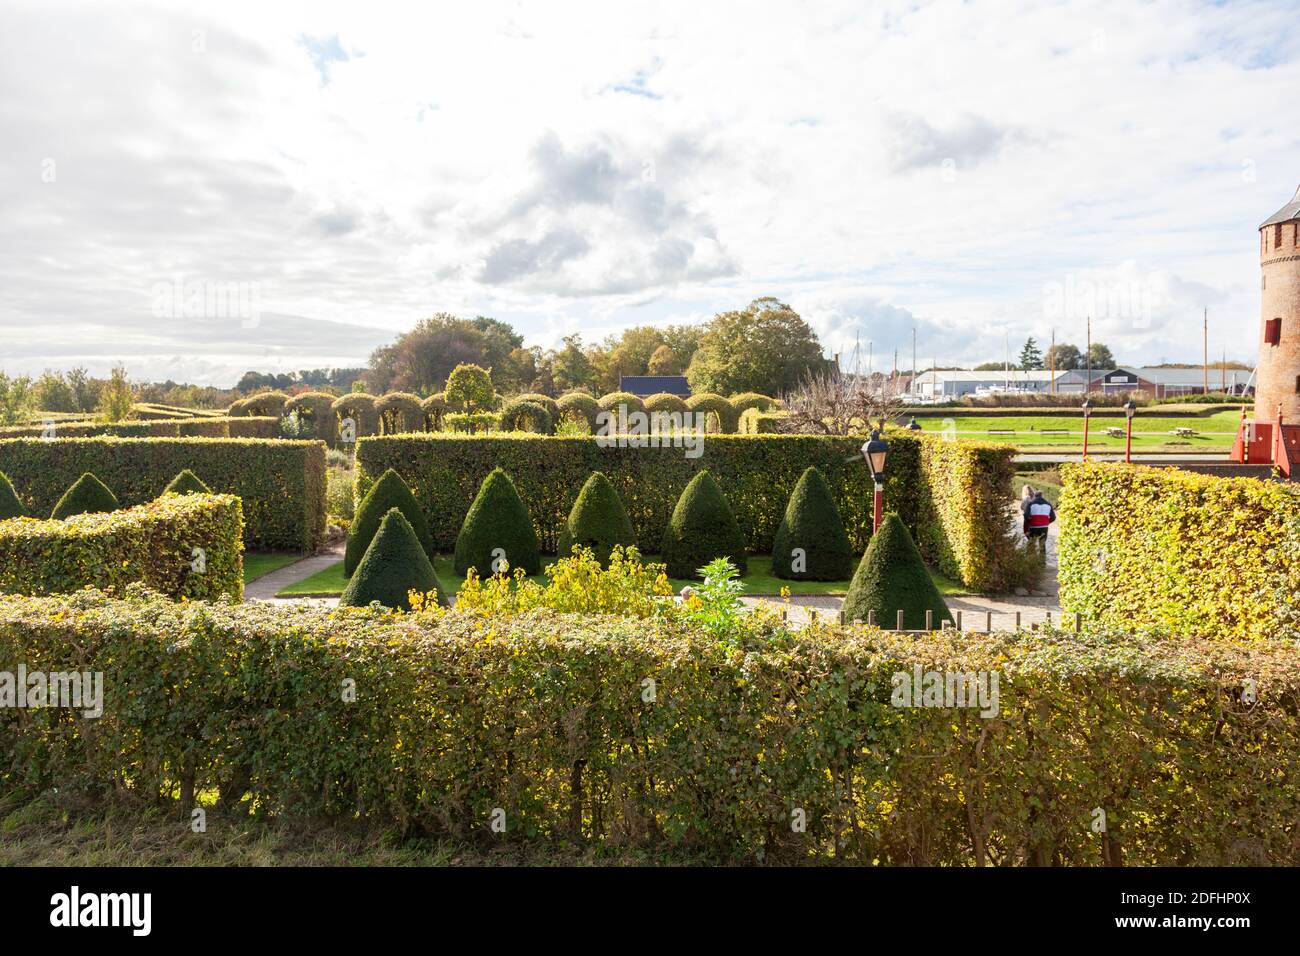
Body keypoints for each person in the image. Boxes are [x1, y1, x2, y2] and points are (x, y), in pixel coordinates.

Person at [1022, 487, 1055, 552]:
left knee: (1031, 544)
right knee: (1042, 545)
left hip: (1033, 527)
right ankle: (1042, 560)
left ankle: (1030, 558)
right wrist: (1046, 522)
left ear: (1035, 496)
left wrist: (1030, 522)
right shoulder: (1048, 505)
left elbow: (1026, 516)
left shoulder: (1031, 504)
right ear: (1042, 496)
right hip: (1044, 527)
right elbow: (1053, 517)